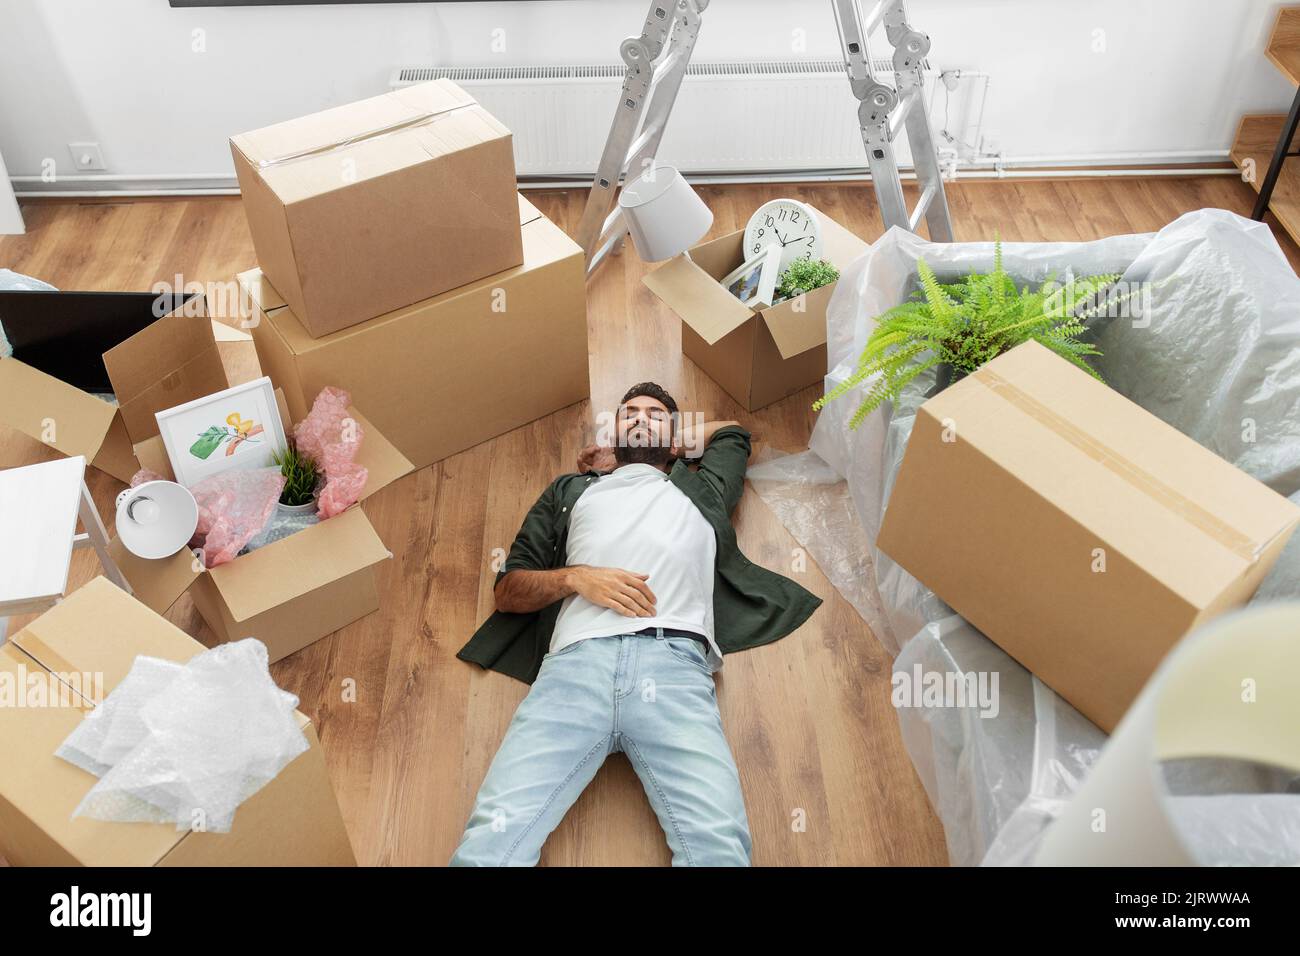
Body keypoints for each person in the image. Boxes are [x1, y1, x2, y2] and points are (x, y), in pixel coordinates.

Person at [451, 382, 822, 866]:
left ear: (676, 440)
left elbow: (733, 433)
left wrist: (658, 442)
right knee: (492, 838)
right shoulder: (571, 490)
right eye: (628, 414)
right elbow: (509, 591)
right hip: (574, 670)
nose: (640, 417)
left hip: (675, 672)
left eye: (654, 414)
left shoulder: (703, 486)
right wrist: (575, 577)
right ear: (612, 429)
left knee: (718, 845)